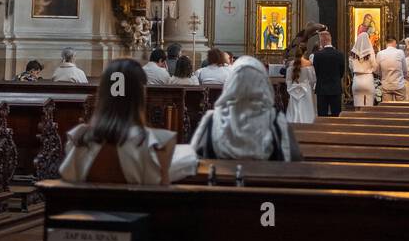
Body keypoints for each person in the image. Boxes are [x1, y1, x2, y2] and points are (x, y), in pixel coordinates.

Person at [60, 59, 195, 185]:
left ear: (103, 95)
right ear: (140, 95)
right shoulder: (158, 144)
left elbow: (66, 184)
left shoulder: (79, 138)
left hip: (83, 210)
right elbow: (160, 194)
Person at [191, 57, 301, 160]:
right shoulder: (276, 121)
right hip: (267, 179)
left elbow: (194, 157)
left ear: (232, 83)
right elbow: (294, 158)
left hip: (219, 180)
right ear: (262, 83)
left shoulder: (212, 120)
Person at [311, 30, 346, 116]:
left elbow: (317, 71)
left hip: (322, 89)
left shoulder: (317, 55)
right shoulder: (339, 54)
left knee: (322, 115)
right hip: (335, 88)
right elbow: (342, 72)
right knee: (336, 114)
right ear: (330, 40)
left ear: (322, 41)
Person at [285, 44, 317, 123]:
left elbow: (288, 80)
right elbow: (312, 79)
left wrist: (290, 88)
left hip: (293, 90)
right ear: (305, 52)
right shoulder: (308, 63)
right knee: (306, 110)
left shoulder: (291, 64)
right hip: (306, 90)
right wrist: (310, 86)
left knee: (294, 110)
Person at [374, 37, 408, 103]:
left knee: (387, 108)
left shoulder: (380, 54)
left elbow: (376, 70)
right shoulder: (400, 52)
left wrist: (383, 75)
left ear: (386, 43)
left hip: (386, 85)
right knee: (402, 108)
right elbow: (405, 70)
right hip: (399, 85)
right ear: (394, 43)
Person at [350, 32, 378, 107]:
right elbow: (375, 67)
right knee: (368, 108)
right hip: (367, 80)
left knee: (357, 107)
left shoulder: (353, 54)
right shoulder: (370, 53)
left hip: (357, 80)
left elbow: (351, 67)